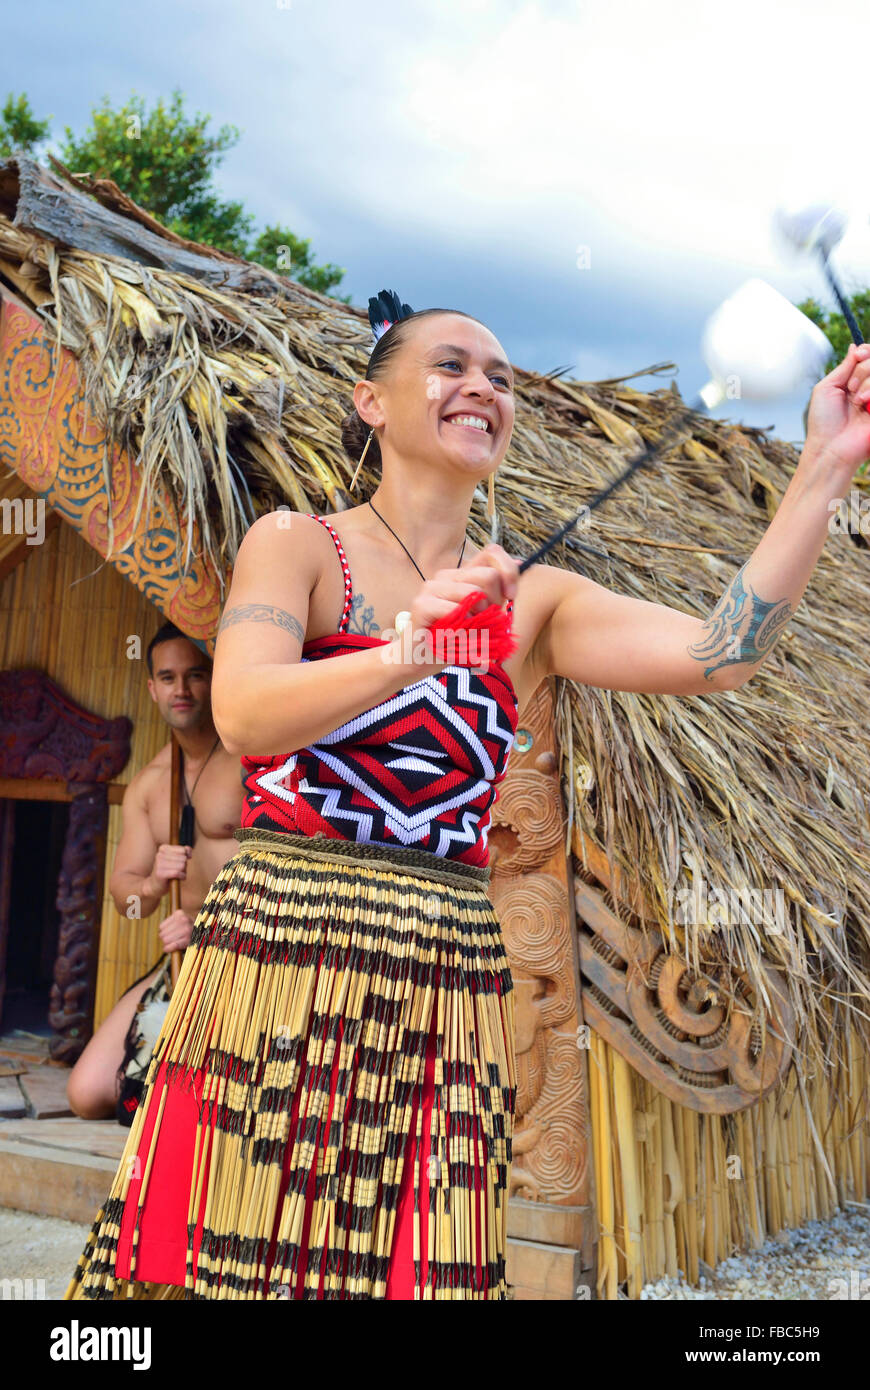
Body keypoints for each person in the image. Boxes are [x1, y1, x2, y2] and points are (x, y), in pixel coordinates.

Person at [63, 289, 870, 1301]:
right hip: (279, 948)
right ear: (372, 401)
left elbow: (723, 653)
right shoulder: (299, 544)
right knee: (228, 1244)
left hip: (441, 965)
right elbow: (247, 715)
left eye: (501, 377)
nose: (484, 386)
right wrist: (409, 652)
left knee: (398, 1267)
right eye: (451, 366)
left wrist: (824, 468)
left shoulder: (533, 599)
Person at [66, 623, 245, 1126]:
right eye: (167, 678)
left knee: (193, 1106)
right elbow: (126, 897)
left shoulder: (253, 762)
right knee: (88, 1093)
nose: (181, 690)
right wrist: (148, 886)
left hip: (244, 957)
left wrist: (215, 927)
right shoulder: (149, 785)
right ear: (152, 688)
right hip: (180, 962)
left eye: (195, 675)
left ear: (216, 678)